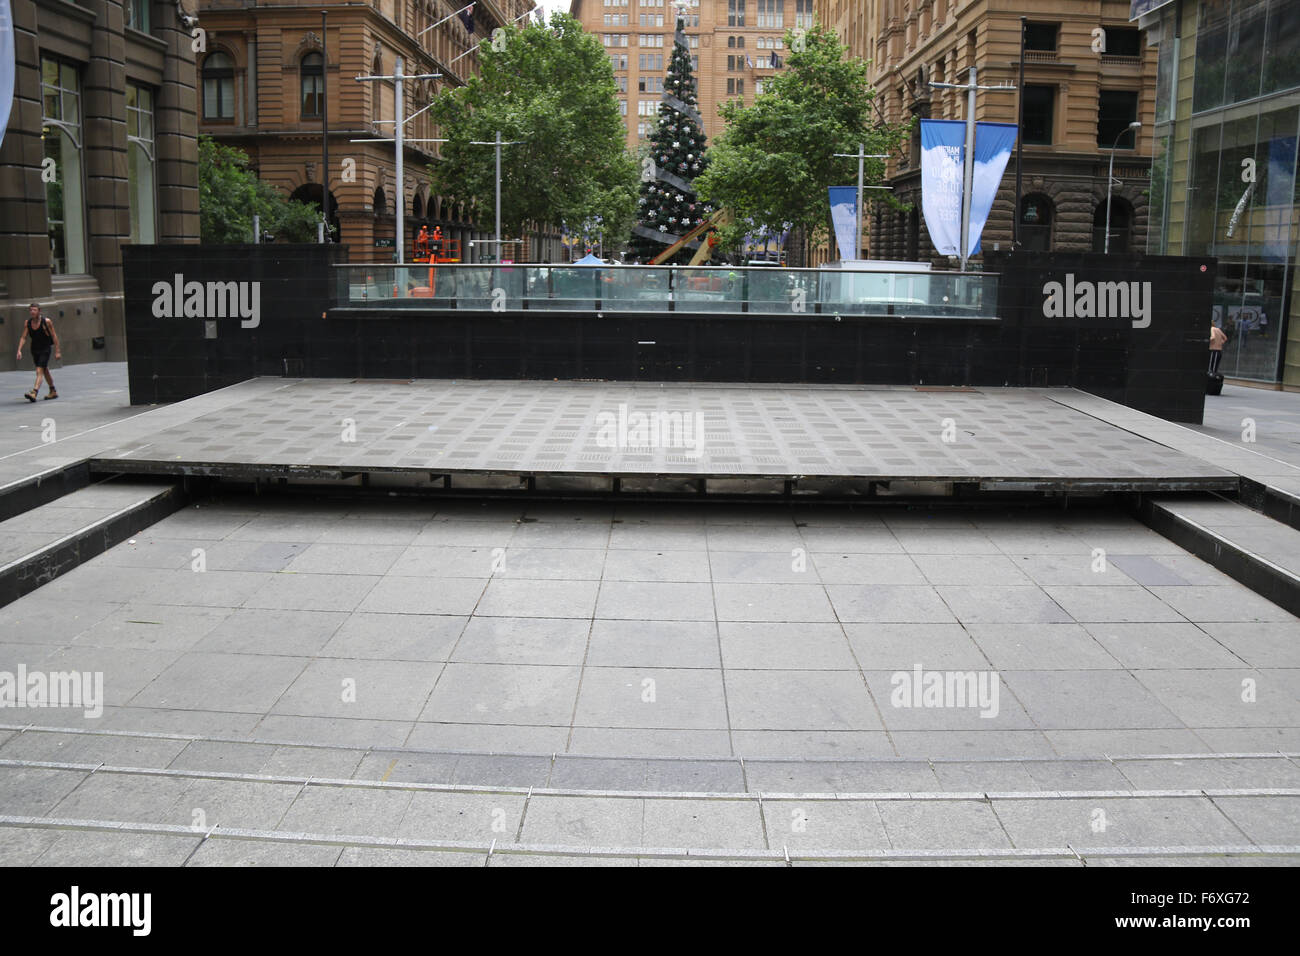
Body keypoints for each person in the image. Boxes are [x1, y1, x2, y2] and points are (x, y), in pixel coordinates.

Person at [16, 303, 61, 401]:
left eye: (34, 310)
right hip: (35, 350)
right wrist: (19, 350)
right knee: (45, 370)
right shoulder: (28, 323)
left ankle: (34, 392)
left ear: (39, 311)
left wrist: (57, 351)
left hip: (45, 349)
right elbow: (23, 337)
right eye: (31, 310)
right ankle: (53, 391)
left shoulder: (46, 322)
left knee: (39, 370)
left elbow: (54, 336)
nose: (32, 312)